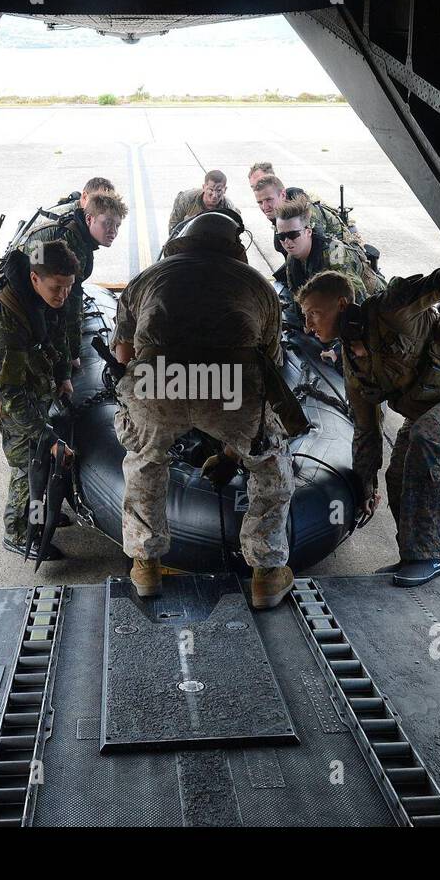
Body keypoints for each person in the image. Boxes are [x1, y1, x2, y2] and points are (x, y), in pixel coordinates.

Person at [110, 212, 304, 609]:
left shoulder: (146, 279)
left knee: (145, 460)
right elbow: (269, 359)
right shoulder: (258, 285)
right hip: (231, 380)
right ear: (235, 244)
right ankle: (266, 573)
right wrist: (235, 445)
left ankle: (146, 564)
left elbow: (124, 353)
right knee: (269, 463)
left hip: (159, 377)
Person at [294, 253, 440, 587]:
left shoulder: (389, 309)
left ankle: (427, 557)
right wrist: (367, 484)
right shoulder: (353, 366)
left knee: (428, 436)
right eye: (305, 318)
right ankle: (411, 555)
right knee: (397, 473)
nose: (308, 325)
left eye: (314, 315)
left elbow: (435, 285)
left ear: (341, 303)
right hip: (430, 405)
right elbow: (366, 430)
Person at [0, 240, 79, 561]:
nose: (63, 294)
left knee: (43, 459)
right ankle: (20, 530)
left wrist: (62, 375)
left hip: (32, 371)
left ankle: (40, 513)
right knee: (27, 462)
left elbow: (55, 330)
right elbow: (11, 393)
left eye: (68, 287)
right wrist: (47, 438)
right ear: (35, 279)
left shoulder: (47, 295)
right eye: (56, 287)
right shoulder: (3, 313)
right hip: (11, 389)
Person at [13, 191, 127, 371]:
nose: (113, 231)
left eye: (117, 226)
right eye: (107, 223)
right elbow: (69, 305)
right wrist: (73, 354)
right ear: (89, 219)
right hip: (25, 296)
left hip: (36, 288)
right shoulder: (72, 242)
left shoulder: (77, 232)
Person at [274, 196, 383, 300]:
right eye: (281, 236)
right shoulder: (292, 259)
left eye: (293, 235)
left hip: (377, 304)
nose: (287, 241)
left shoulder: (335, 255)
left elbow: (357, 300)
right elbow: (298, 297)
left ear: (308, 232)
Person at [251, 173, 361, 253]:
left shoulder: (304, 215)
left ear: (283, 195)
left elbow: (321, 251)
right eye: (260, 202)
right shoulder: (283, 214)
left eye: (269, 200)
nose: (265, 207)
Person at [166, 170, 238, 237]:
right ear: (204, 187)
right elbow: (174, 226)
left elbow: (234, 232)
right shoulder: (187, 199)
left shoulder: (229, 208)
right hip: (188, 237)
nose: (214, 195)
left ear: (225, 190)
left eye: (219, 190)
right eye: (211, 189)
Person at [47, 175, 115, 219]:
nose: (103, 208)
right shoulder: (66, 219)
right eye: (98, 201)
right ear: (85, 196)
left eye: (107, 203)